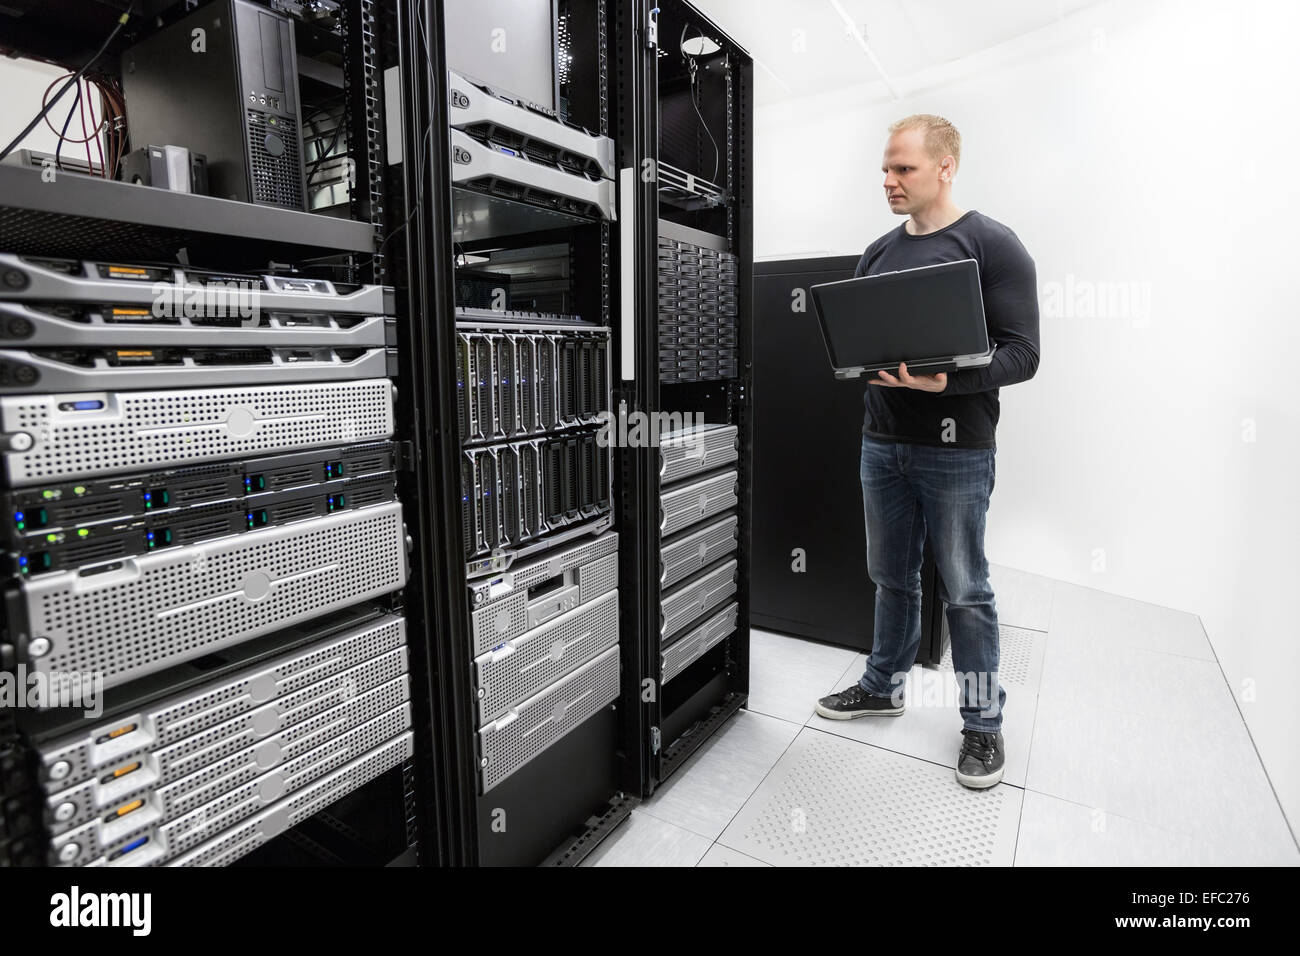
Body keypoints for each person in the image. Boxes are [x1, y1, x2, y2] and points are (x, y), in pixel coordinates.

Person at [814, 114, 1040, 789]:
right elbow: (861, 342)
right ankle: (883, 686)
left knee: (967, 592)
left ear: (946, 167)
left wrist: (952, 381)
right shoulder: (878, 253)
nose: (888, 181)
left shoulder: (994, 246)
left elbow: (1024, 354)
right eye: (885, 168)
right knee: (891, 576)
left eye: (903, 169)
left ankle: (982, 726)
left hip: (957, 450)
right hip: (882, 442)